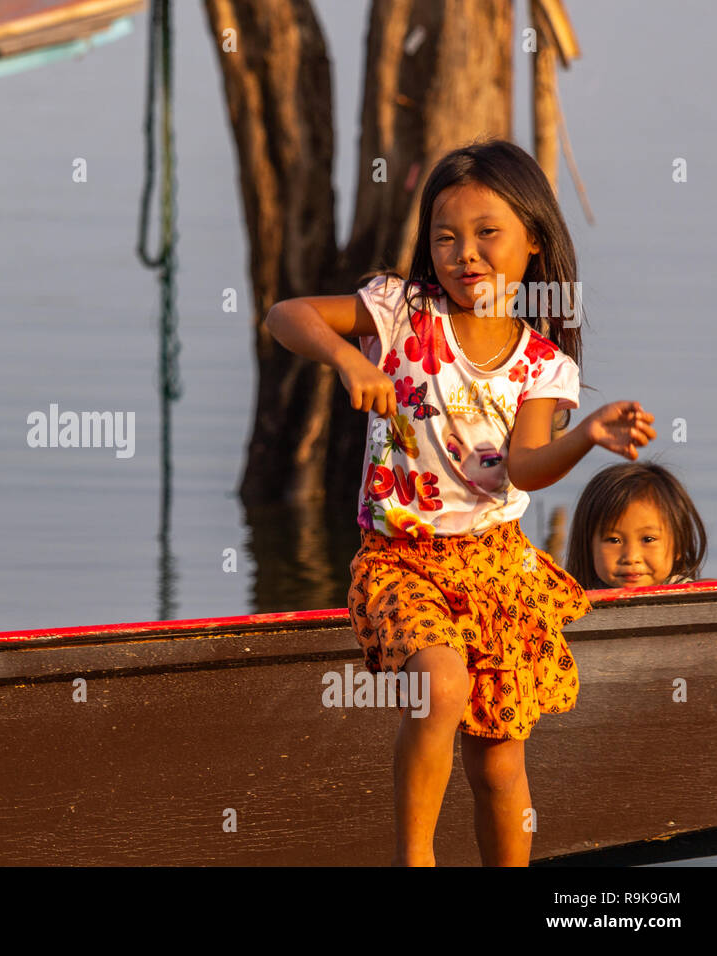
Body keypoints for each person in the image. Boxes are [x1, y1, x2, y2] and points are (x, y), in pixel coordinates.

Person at [265, 138, 657, 866]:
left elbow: (529, 468)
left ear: (533, 242)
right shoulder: (399, 311)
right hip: (400, 562)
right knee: (440, 685)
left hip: (498, 572)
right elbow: (287, 315)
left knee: (500, 764)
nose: (465, 253)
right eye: (446, 237)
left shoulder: (544, 365)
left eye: (487, 234)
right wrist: (349, 356)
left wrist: (591, 436)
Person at [566, 462, 706, 589]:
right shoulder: (576, 601)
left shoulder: (684, 592)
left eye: (648, 539)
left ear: (678, 546)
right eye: (614, 540)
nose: (631, 557)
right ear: (588, 546)